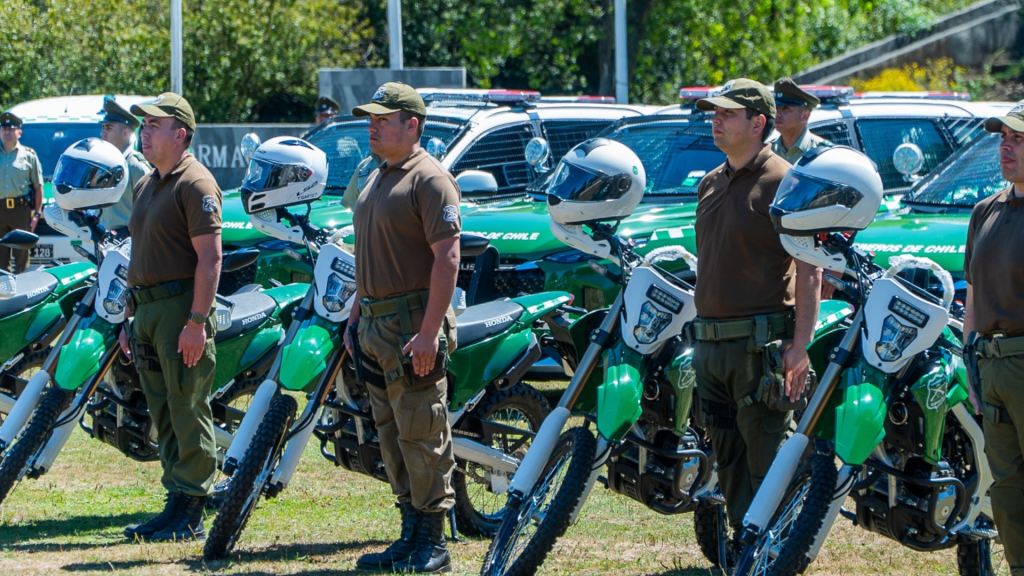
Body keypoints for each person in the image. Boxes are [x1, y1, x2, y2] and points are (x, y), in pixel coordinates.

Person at [691, 79, 822, 553]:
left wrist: (801, 346)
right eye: (714, 112)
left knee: (767, 458)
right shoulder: (710, 182)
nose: (716, 119)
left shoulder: (785, 182)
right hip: (710, 345)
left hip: (759, 345)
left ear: (758, 122)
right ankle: (750, 551)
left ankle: (777, 553)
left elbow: (809, 271)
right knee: (727, 457)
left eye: (727, 113)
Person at [343, 82, 460, 573]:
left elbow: (448, 259)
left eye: (382, 119)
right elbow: (368, 256)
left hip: (413, 326)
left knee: (422, 431)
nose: (372, 126)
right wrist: (354, 316)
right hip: (375, 325)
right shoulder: (377, 176)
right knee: (390, 433)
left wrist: (430, 332)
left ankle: (432, 540)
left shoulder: (429, 180)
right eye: (370, 118)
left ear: (412, 126)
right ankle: (410, 531)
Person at [116, 92, 223, 542]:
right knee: (163, 410)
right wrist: (128, 314)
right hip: (147, 310)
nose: (144, 131)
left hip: (182, 308)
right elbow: (140, 252)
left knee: (186, 405)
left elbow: (211, 258)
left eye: (154, 126)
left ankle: (193, 507)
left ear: (180, 134)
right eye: (143, 125)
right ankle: (175, 500)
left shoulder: (194, 183)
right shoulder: (148, 183)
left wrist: (197, 321)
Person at [963, 102, 1024, 574]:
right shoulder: (985, 210)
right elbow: (973, 298)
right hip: (990, 364)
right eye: (1003, 136)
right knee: (1005, 488)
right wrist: (972, 365)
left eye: (1018, 138)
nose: (1007, 145)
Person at [99, 98, 151, 233]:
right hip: (109, 241)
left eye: (109, 128)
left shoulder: (135, 165)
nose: (103, 133)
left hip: (130, 243)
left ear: (125, 133)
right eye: (103, 127)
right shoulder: (108, 163)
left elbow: (152, 210)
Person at [0, 111, 43, 273]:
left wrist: (37, 214)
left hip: (20, 211)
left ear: (19, 132)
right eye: (4, 129)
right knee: (0, 260)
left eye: (11, 129)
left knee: (21, 258)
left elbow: (38, 186)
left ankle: (21, 294)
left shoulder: (28, 155)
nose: (7, 132)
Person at [770, 77, 828, 164]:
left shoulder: (821, 153)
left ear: (805, 115)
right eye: (776, 108)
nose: (777, 114)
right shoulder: (769, 150)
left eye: (786, 108)